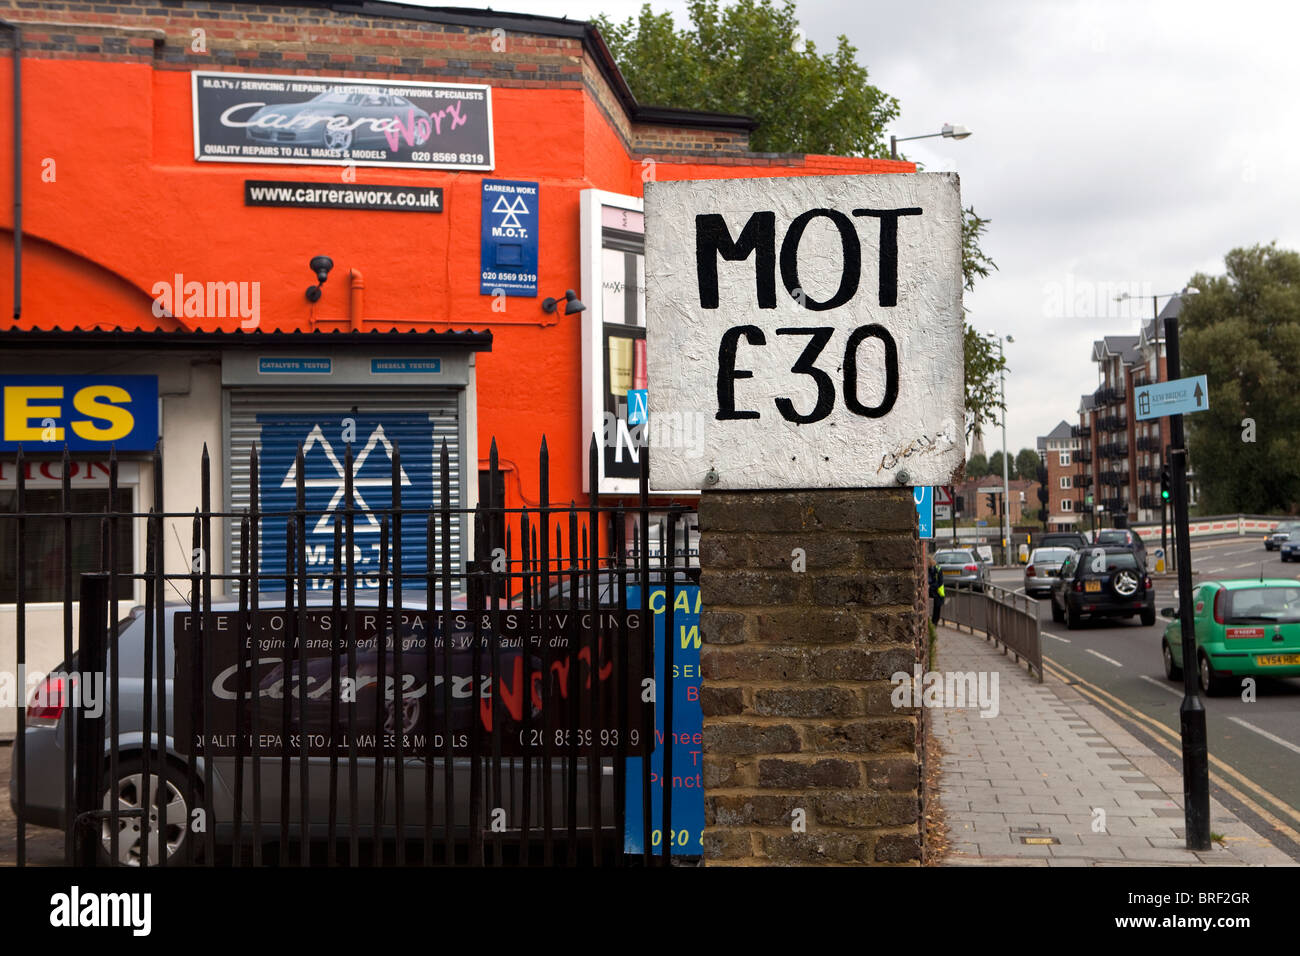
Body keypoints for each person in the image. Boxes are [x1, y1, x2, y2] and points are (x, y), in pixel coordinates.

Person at [927, 552, 945, 624]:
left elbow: (939, 582)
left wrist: (931, 586)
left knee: (937, 608)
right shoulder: (930, 568)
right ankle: (933, 622)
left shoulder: (937, 569)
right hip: (934, 590)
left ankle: (934, 623)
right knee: (936, 607)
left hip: (938, 591)